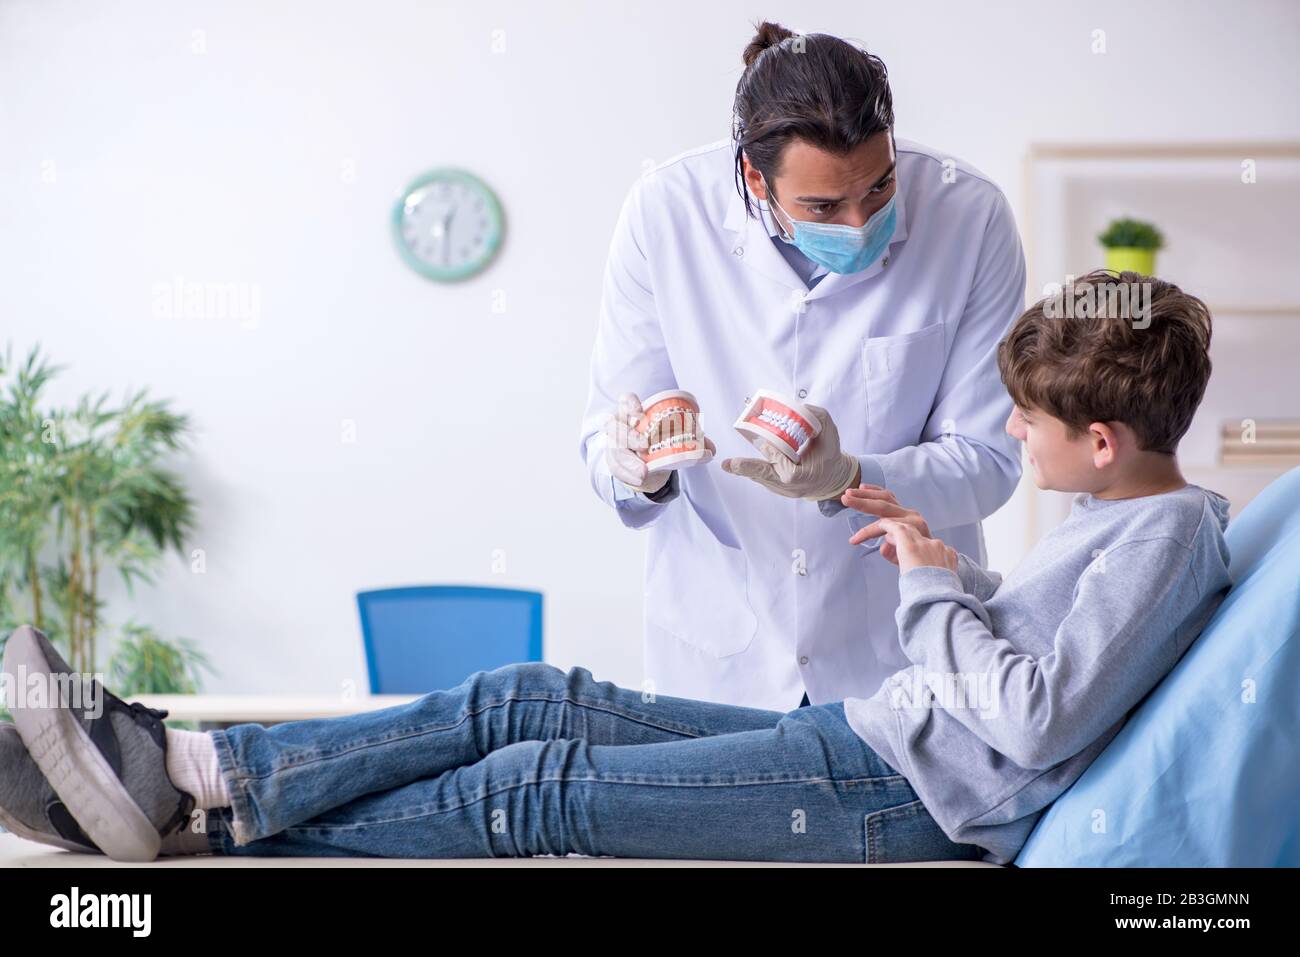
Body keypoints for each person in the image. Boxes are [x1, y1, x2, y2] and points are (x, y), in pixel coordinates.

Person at [1, 272, 1230, 865]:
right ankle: (193, 768)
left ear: (1104, 441)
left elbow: (1036, 713)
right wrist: (940, 577)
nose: (1012, 434)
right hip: (873, 743)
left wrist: (927, 577)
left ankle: (206, 835)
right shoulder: (1122, 520)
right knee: (525, 693)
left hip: (902, 803)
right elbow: (1030, 685)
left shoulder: (1165, 538)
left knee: (537, 780)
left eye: (1029, 422)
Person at [579, 21, 1025, 712]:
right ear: (754, 177)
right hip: (721, 651)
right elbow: (607, 438)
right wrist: (641, 470)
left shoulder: (971, 218)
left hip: (897, 653)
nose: (856, 224)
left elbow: (990, 460)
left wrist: (854, 475)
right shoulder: (664, 214)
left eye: (879, 190)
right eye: (821, 206)